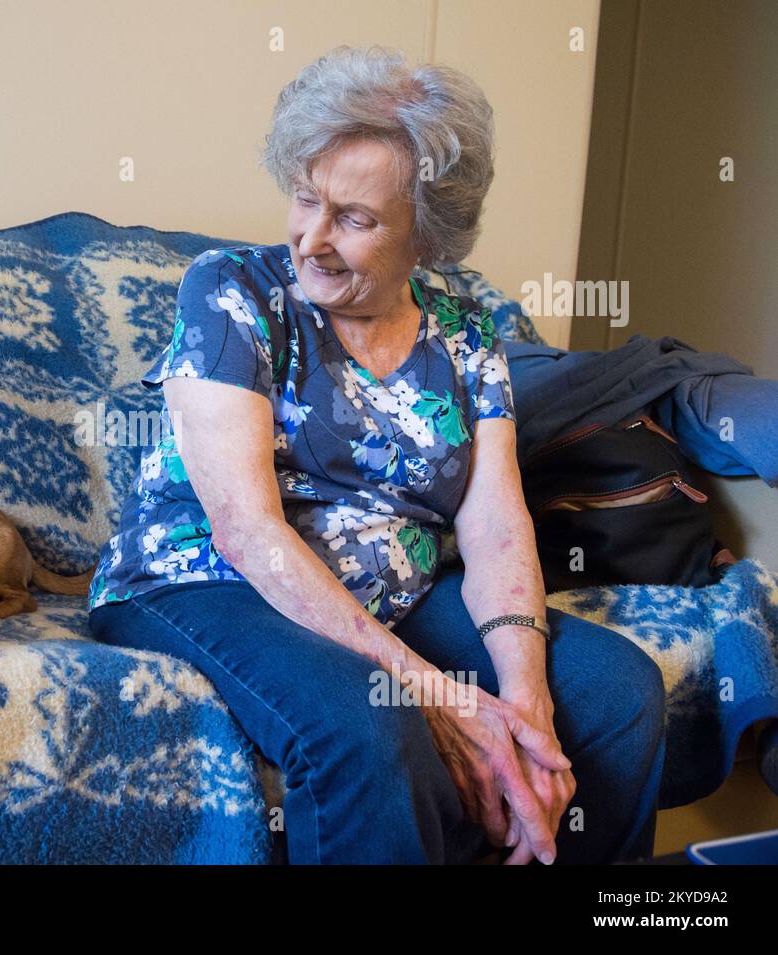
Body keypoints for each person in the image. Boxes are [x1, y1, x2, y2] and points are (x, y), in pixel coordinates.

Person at [86, 45, 666, 864]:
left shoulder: (465, 334)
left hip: (396, 587)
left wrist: (523, 702)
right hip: (206, 579)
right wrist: (435, 694)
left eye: (353, 218)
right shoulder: (232, 293)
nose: (311, 239)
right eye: (304, 198)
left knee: (616, 693)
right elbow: (245, 529)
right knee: (369, 723)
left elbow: (497, 522)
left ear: (426, 237)